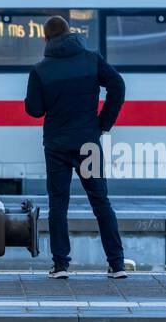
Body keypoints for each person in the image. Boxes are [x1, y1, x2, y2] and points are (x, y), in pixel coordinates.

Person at [24, 16, 128, 279]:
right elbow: (118, 85)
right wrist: (103, 124)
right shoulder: (91, 59)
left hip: (57, 147)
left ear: (46, 39)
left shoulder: (40, 70)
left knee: (58, 204)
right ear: (71, 34)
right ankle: (117, 265)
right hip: (88, 144)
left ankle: (61, 265)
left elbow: (34, 110)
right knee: (100, 202)